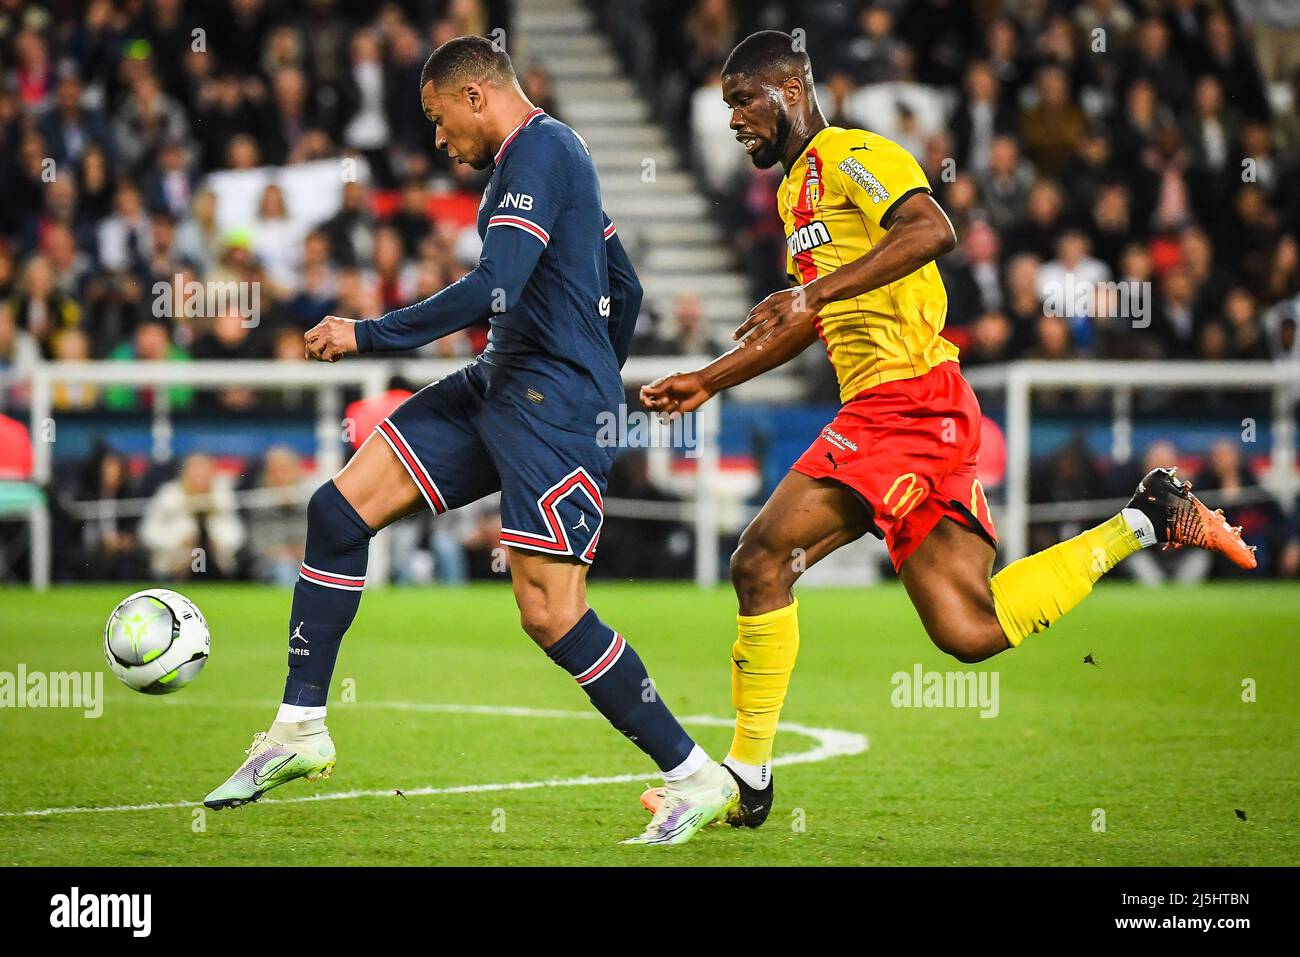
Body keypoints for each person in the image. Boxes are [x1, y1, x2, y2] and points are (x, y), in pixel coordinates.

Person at [641, 30, 1258, 829]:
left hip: (905, 404)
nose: (733, 121)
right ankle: (1147, 515)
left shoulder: (851, 154)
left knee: (760, 560)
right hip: (908, 410)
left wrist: (816, 291)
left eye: (741, 102)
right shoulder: (798, 196)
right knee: (969, 629)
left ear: (789, 89)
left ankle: (748, 776)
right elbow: (807, 318)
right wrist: (709, 379)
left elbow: (932, 228)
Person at [204, 37, 737, 846]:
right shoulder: (548, 159)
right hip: (502, 382)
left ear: (476, 95)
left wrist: (370, 334)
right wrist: (599, 364)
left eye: (438, 117)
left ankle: (694, 775)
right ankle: (300, 726)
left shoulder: (543, 149)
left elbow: (495, 286)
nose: (437, 138)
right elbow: (620, 282)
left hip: (548, 405)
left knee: (550, 614)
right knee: (338, 512)